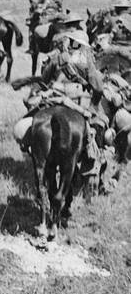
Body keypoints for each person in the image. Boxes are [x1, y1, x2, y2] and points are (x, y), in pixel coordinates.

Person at [32, 12, 109, 175]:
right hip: (80, 101)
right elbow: (98, 88)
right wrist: (95, 103)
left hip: (55, 96)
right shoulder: (86, 60)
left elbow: (43, 80)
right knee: (100, 122)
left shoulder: (58, 56)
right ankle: (93, 157)